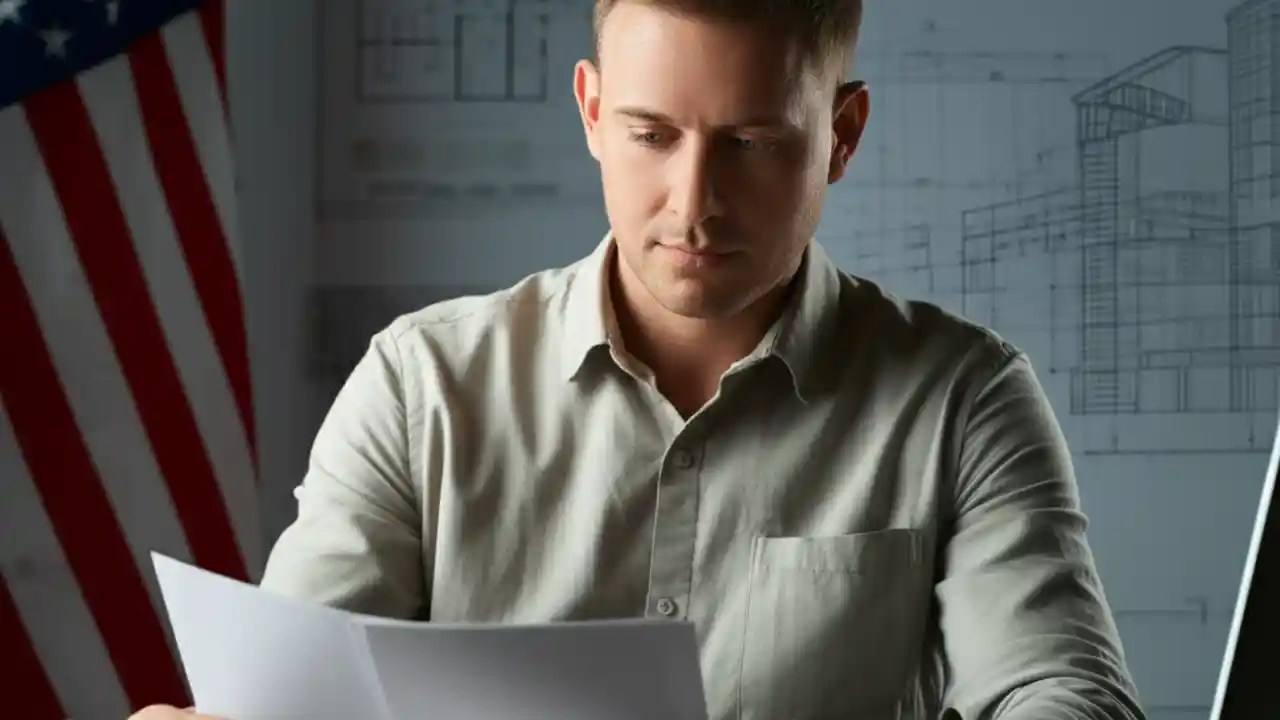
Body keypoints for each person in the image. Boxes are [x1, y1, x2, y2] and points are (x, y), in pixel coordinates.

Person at [133, 0, 1146, 717]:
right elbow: (291, 698)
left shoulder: (961, 399)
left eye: (749, 141)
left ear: (840, 135)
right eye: (650, 133)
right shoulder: (419, 387)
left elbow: (1065, 693)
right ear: (588, 112)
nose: (692, 202)